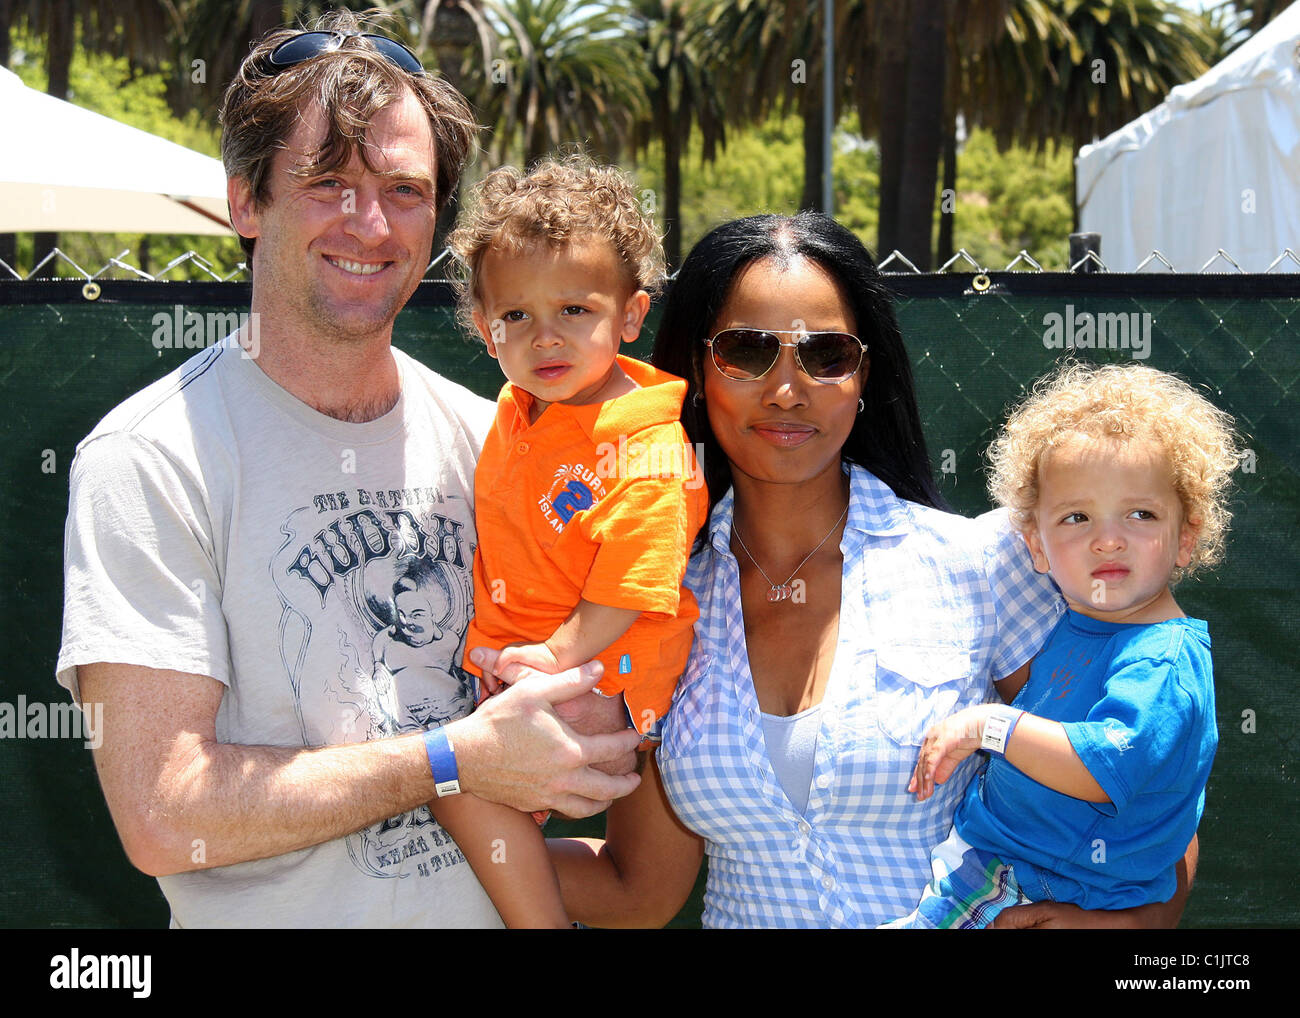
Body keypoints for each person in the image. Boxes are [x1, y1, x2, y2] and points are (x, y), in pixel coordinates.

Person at [55, 12, 640, 929]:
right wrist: (453, 760)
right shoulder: (149, 459)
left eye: (405, 190)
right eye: (329, 182)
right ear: (247, 201)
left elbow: (590, 703)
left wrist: (587, 719)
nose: (370, 224)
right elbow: (165, 816)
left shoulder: (497, 438)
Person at [499, 212, 1198, 928]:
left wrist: (1132, 926)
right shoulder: (652, 602)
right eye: (747, 351)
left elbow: (1146, 777)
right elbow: (637, 890)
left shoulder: (982, 566)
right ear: (699, 372)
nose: (786, 389)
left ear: (864, 374)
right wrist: (447, 816)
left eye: (826, 355)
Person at [883, 362, 1238, 928]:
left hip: (1040, 889)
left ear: (1186, 537)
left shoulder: (1164, 660)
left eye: (1141, 513)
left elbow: (1101, 767)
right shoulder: (1079, 624)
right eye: (1077, 517)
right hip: (1009, 871)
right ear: (1038, 547)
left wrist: (988, 726)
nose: (1107, 538)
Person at [450, 157, 707, 741]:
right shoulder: (516, 409)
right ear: (487, 329)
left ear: (631, 315)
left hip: (604, 674)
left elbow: (630, 588)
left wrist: (550, 658)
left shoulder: (647, 445)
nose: (545, 336)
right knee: (475, 802)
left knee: (457, 783)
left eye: (575, 309)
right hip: (529, 665)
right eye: (516, 315)